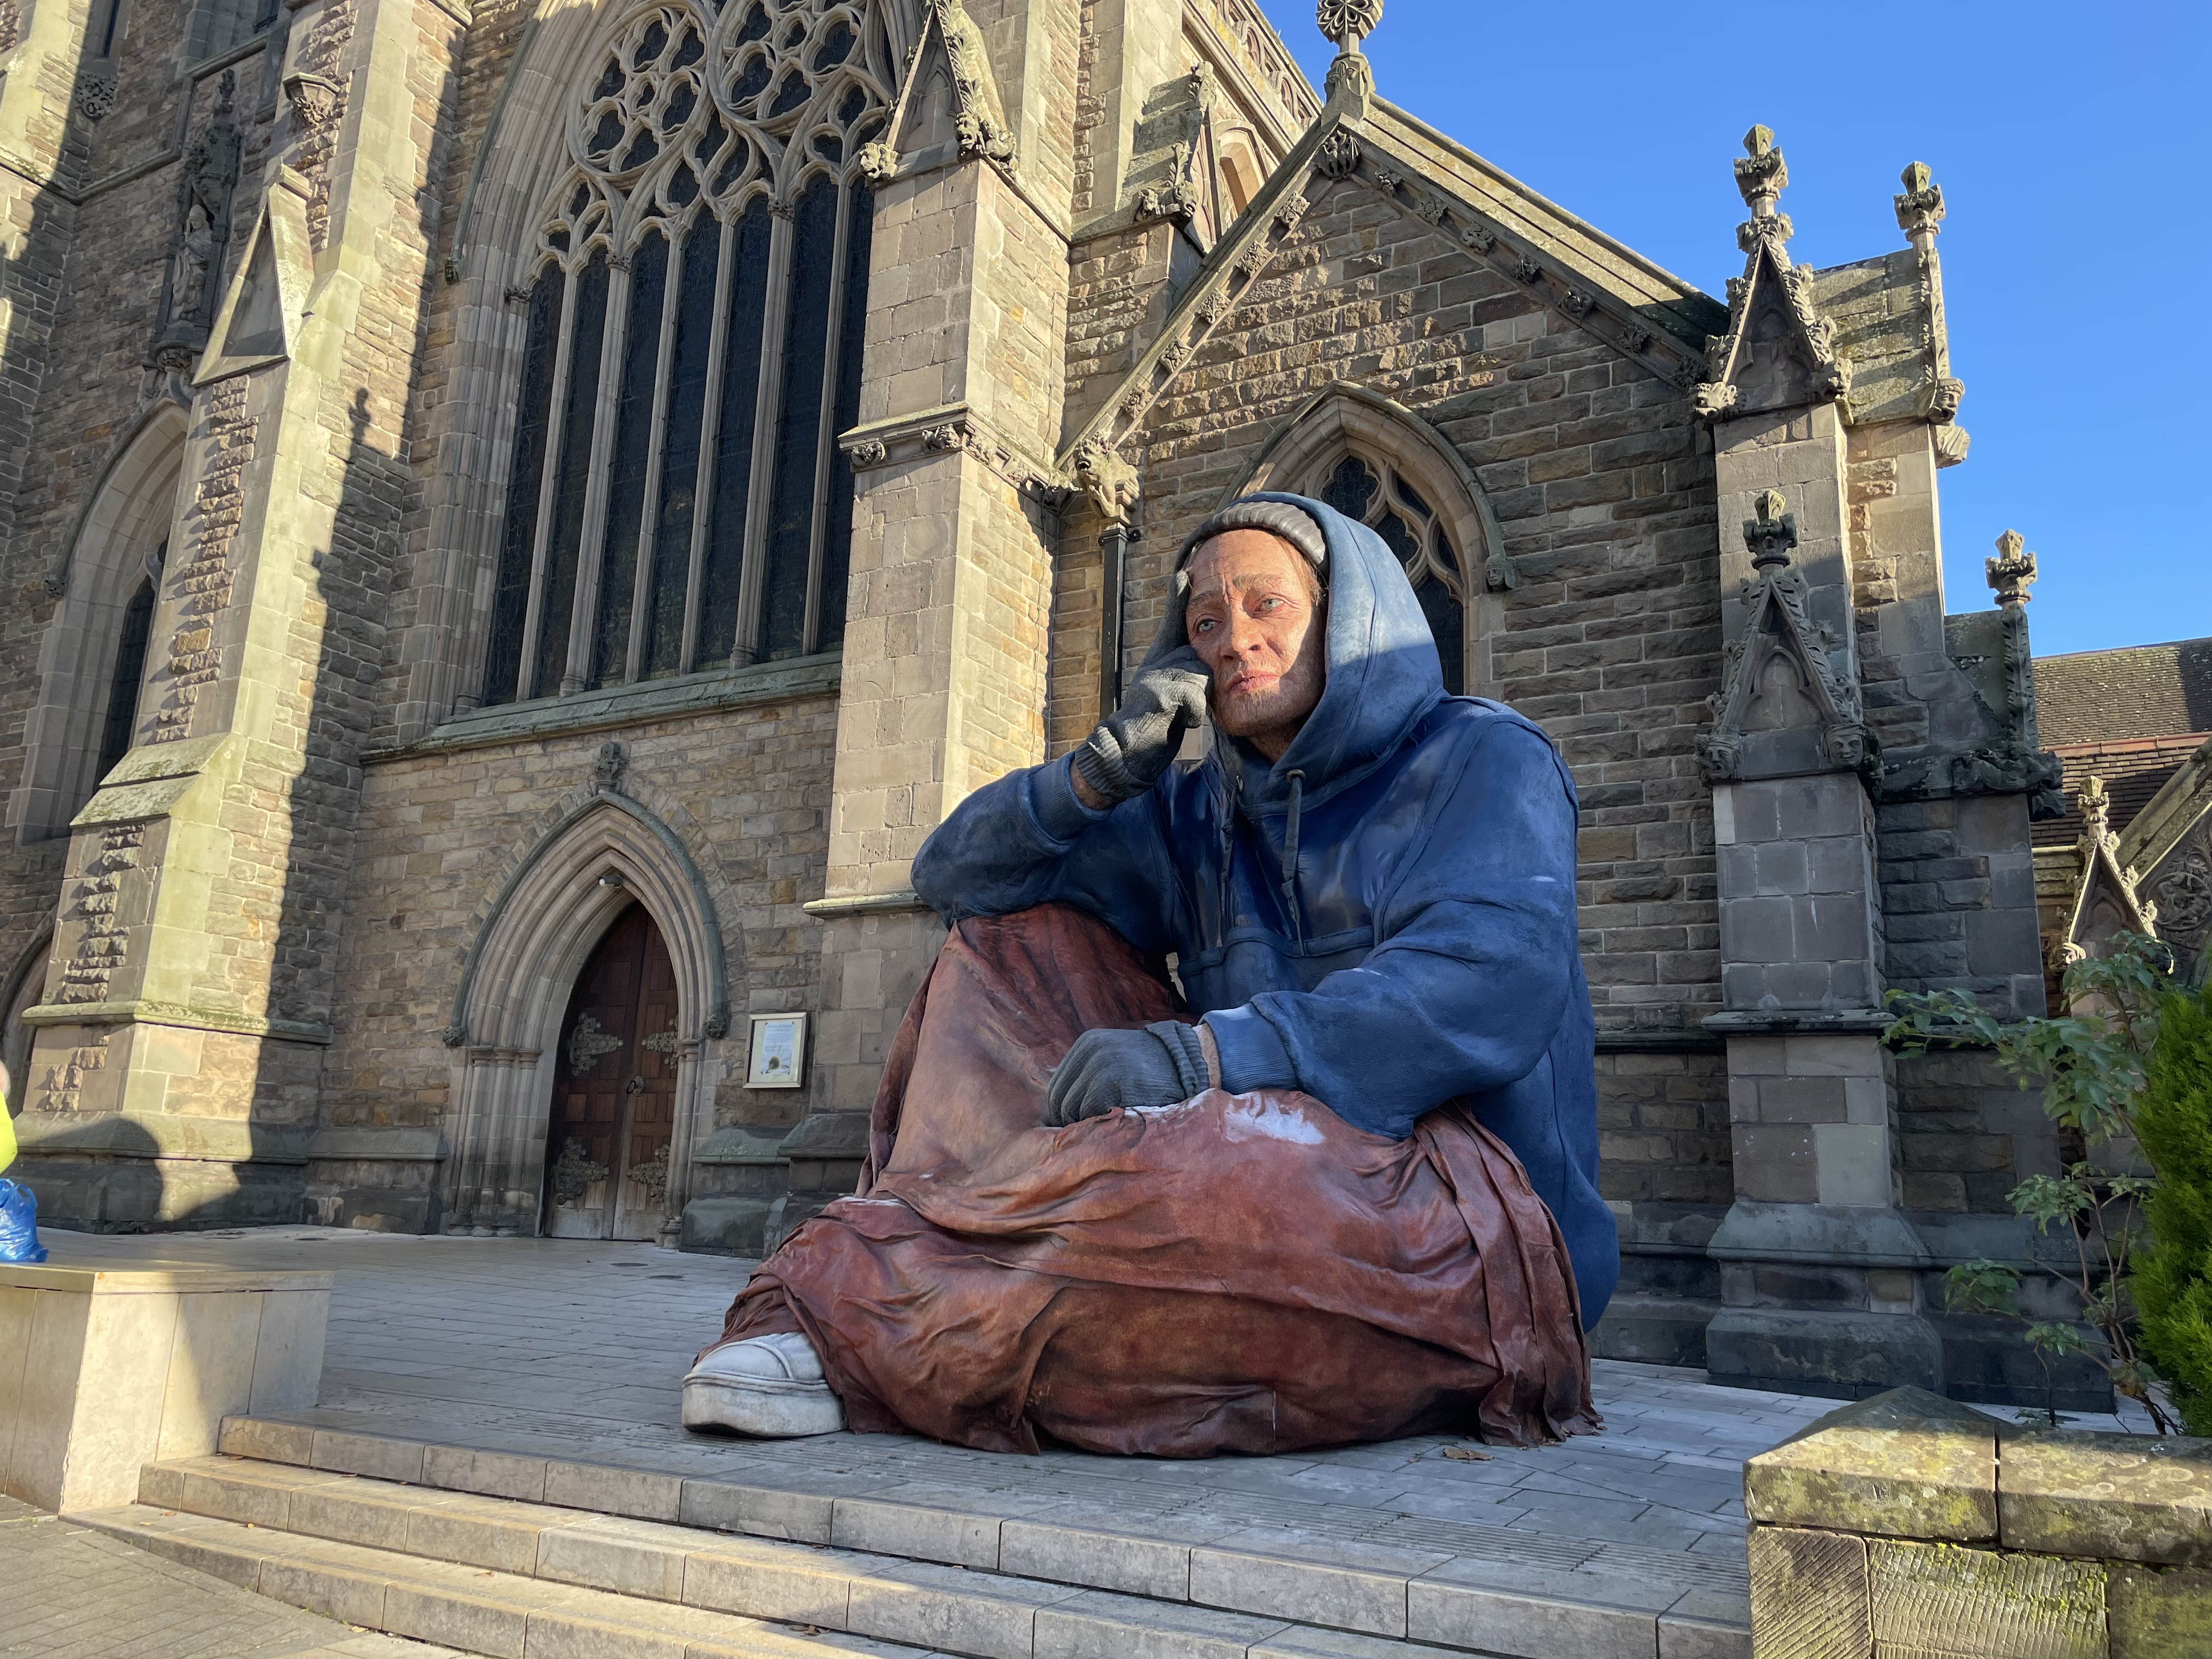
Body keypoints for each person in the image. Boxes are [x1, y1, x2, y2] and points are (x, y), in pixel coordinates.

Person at [686, 493, 1612, 1455]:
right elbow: (956, 880)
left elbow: (1484, 983)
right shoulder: (1194, 810)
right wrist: (1097, 775)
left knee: (1202, 1186)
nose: (1234, 641)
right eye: (1205, 622)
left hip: (1475, 1211)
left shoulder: (1486, 755)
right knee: (1009, 945)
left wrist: (1202, 1057)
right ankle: (910, 1277)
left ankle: (850, 1325)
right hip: (1239, 1151)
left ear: (1348, 616)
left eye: (1266, 606)